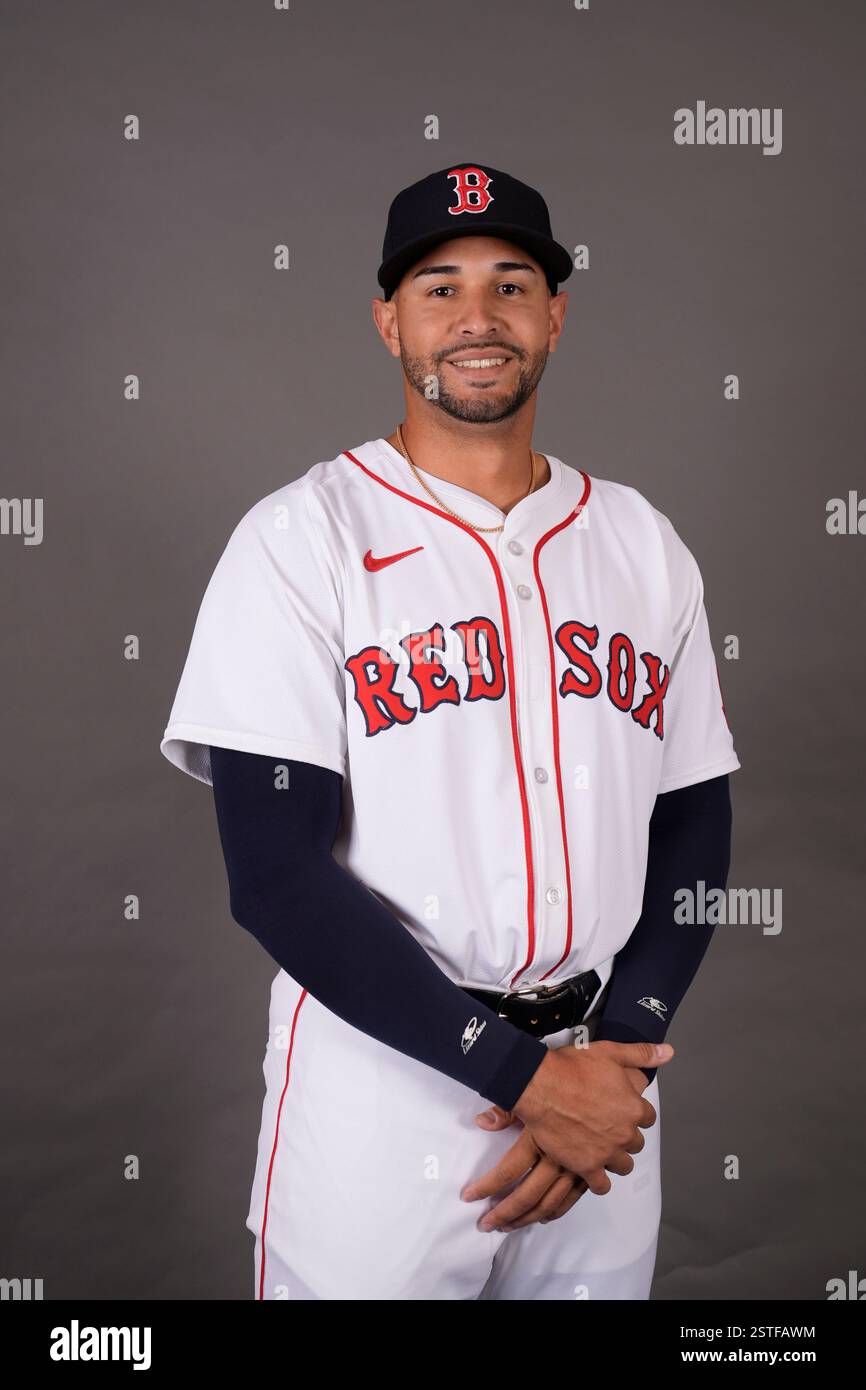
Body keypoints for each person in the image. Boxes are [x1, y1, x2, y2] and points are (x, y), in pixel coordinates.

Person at [160, 161, 740, 1300]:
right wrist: (524, 1079)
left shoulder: (638, 541)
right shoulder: (298, 539)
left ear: (555, 315)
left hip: (602, 1077)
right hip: (381, 1085)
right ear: (388, 321)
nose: (477, 317)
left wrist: (618, 1051)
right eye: (438, 287)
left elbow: (693, 816)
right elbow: (275, 877)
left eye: (510, 282)